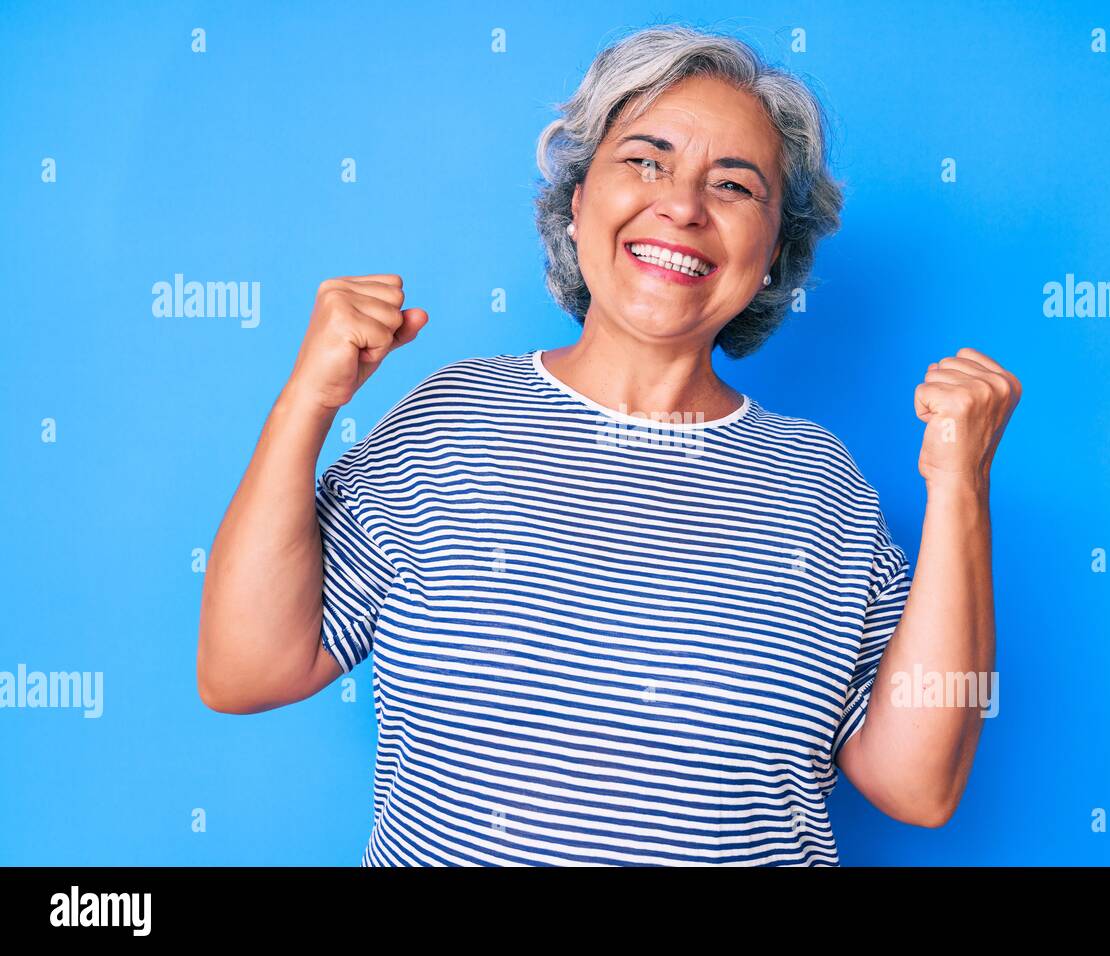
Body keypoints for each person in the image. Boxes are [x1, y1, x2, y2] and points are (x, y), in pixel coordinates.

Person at [197, 24, 1020, 866]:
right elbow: (246, 670)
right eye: (645, 161)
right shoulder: (450, 421)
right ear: (578, 198)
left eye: (734, 185)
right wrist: (309, 402)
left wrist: (961, 489)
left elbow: (918, 785)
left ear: (774, 253)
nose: (683, 205)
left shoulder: (823, 484)